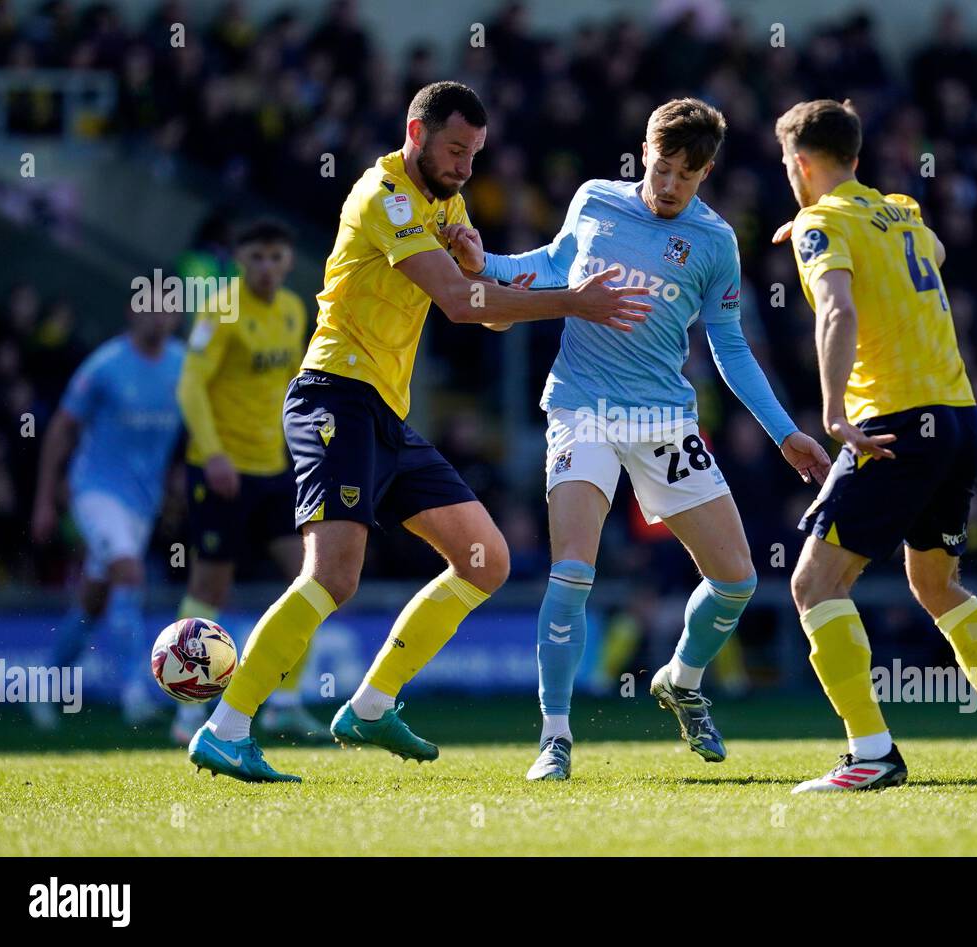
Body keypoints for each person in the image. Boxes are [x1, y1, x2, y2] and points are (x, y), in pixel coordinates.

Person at [187, 80, 651, 782]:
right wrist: (573, 303)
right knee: (334, 576)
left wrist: (476, 261)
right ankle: (226, 727)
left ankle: (371, 704)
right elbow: (465, 309)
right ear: (417, 132)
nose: (466, 167)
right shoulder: (386, 196)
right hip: (334, 400)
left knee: (485, 559)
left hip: (384, 415)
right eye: (457, 150)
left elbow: (486, 310)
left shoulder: (447, 202)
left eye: (475, 155)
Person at [446, 98, 830, 781]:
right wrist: (486, 261)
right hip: (581, 407)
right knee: (572, 570)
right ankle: (555, 738)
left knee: (737, 578)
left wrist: (784, 432)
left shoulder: (714, 244)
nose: (668, 184)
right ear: (644, 152)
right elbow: (549, 264)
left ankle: (681, 679)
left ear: (705, 173)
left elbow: (731, 348)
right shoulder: (595, 199)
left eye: (685, 173)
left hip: (664, 421)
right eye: (660, 167)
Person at [773, 99, 977, 791]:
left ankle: (871, 752)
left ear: (802, 166)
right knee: (935, 583)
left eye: (789, 167)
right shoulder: (901, 209)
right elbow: (923, 252)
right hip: (960, 419)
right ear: (857, 160)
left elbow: (838, 308)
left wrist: (835, 411)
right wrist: (818, 220)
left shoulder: (821, 224)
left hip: (895, 422)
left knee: (814, 584)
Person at [171, 219, 326, 746]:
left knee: (311, 577)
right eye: (256, 257)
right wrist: (212, 455)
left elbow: (289, 385)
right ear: (239, 260)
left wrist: (306, 444)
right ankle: (188, 712)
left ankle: (284, 702)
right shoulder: (220, 308)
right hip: (220, 469)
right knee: (211, 585)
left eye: (276, 257)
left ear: (288, 261)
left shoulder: (292, 309)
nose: (267, 267)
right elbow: (191, 383)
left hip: (274, 468)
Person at [31, 306, 184, 727]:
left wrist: (177, 485)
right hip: (94, 490)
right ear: (132, 314)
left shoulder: (183, 364)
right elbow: (62, 427)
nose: (159, 317)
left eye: (168, 309)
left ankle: (45, 683)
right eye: (150, 308)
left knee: (95, 598)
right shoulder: (105, 365)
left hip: (142, 502)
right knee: (129, 571)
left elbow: (191, 431)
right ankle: (137, 692)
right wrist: (45, 499)